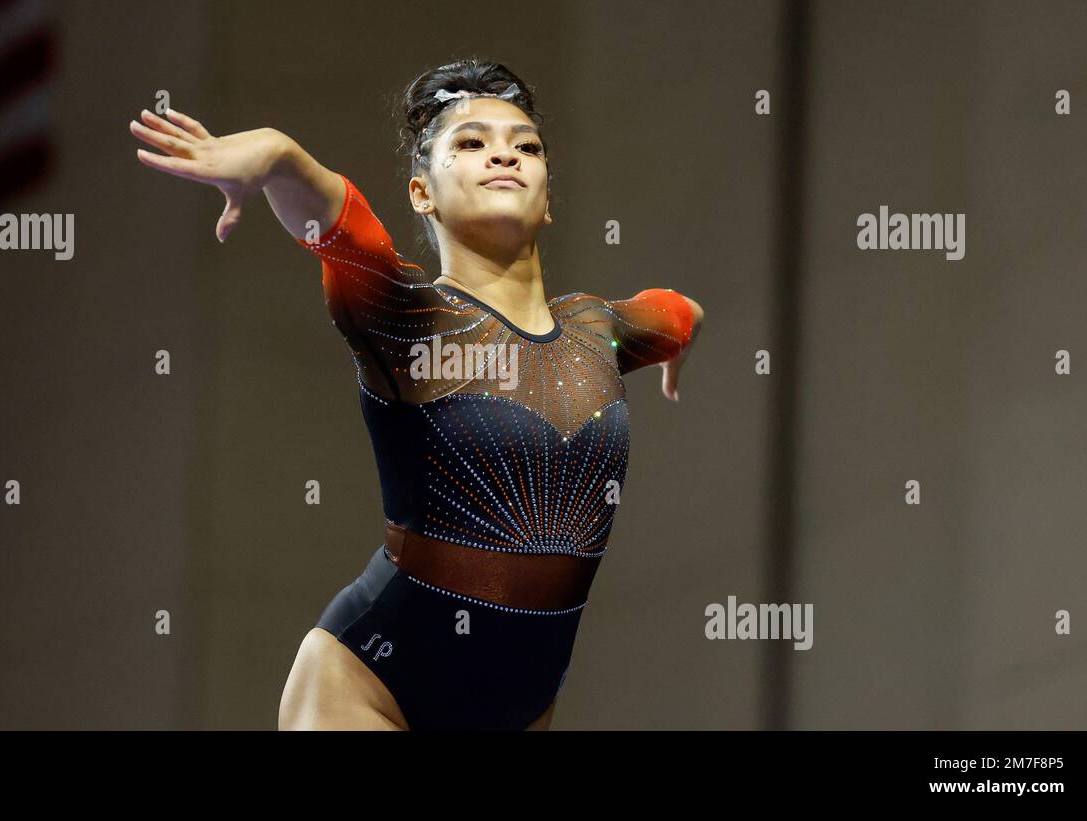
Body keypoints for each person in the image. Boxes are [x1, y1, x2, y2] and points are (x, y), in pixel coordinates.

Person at [130, 57, 704, 730]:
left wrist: (680, 341)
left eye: (526, 147)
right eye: (471, 143)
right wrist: (279, 157)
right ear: (422, 192)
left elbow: (676, 312)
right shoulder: (408, 320)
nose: (503, 155)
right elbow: (340, 224)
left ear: (548, 199)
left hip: (521, 707)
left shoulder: (596, 330)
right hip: (370, 680)